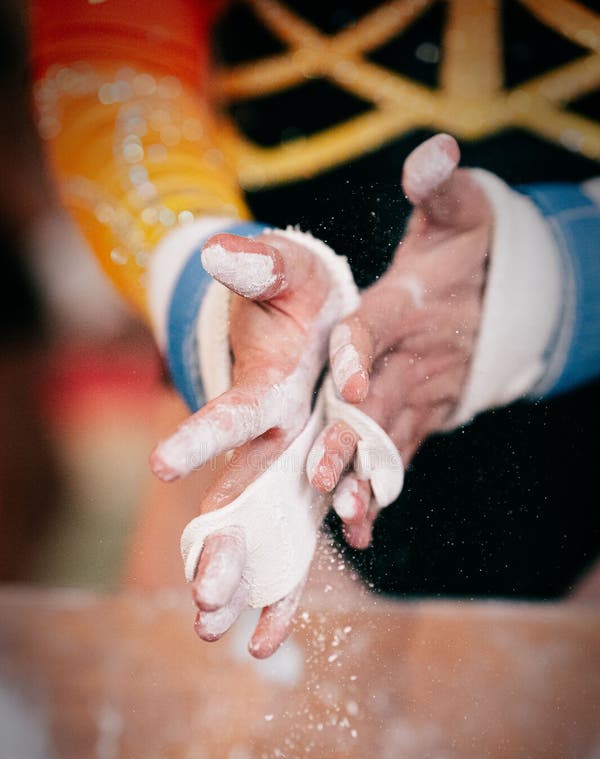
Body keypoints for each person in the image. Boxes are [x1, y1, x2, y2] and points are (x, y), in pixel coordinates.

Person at [30, 1, 600, 655]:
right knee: (203, 747)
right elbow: (109, 43)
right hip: (259, 369)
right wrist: (205, 284)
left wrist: (567, 278)